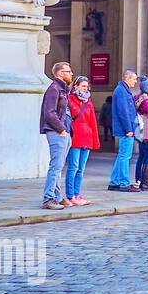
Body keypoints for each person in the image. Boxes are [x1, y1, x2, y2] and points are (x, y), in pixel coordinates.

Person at [39, 61, 73, 210]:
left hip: (63, 132)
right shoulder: (54, 89)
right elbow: (49, 113)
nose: (71, 74)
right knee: (55, 167)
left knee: (59, 167)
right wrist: (61, 129)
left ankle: (57, 197)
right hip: (56, 132)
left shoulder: (62, 89)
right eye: (68, 71)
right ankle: (49, 199)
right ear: (60, 73)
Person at [65, 76, 99, 206]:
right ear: (76, 86)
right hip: (75, 137)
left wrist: (95, 140)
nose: (85, 88)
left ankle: (77, 194)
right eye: (83, 86)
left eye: (86, 86)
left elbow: (93, 122)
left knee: (81, 169)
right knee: (73, 167)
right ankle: (70, 195)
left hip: (87, 137)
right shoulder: (69, 99)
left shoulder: (88, 101)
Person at [109, 70, 140, 192]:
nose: (136, 81)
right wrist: (128, 129)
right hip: (126, 129)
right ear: (127, 78)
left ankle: (114, 181)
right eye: (134, 79)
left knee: (122, 156)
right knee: (125, 157)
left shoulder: (123, 90)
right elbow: (123, 112)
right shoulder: (121, 91)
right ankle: (124, 183)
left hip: (126, 128)